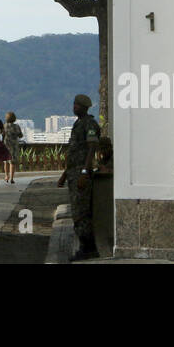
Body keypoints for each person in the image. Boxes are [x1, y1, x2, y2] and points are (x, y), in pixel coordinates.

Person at [56, 93, 101, 260]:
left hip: (81, 175)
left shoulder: (89, 124)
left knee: (82, 212)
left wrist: (84, 172)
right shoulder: (78, 124)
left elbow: (91, 147)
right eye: (74, 104)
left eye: (77, 105)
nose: (74, 107)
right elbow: (74, 152)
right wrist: (64, 175)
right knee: (77, 211)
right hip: (74, 174)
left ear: (84, 107)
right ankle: (85, 246)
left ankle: (88, 248)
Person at [3, 112, 24, 184]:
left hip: (6, 145)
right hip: (14, 146)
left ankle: (6, 176)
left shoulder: (4, 126)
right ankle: (11, 178)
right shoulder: (16, 126)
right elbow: (21, 135)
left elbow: (2, 134)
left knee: (6, 162)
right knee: (12, 162)